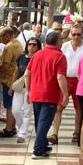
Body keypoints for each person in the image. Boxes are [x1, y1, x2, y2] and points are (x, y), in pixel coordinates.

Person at [25, 29, 68, 158]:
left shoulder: (37, 55)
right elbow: (60, 77)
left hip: (36, 93)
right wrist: (65, 94)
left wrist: (28, 90)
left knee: (40, 121)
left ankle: (42, 144)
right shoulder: (60, 56)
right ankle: (38, 149)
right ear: (58, 42)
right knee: (44, 122)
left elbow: (27, 74)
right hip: (50, 94)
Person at [53, 23, 83, 144]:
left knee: (79, 108)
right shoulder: (65, 46)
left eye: (79, 34)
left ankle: (76, 132)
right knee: (59, 106)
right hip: (65, 78)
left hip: (80, 81)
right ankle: (54, 133)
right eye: (74, 34)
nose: (76, 37)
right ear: (70, 35)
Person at [11, 37, 41, 142]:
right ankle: (21, 128)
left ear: (38, 47)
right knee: (15, 111)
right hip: (19, 87)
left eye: (34, 45)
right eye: (30, 44)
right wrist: (12, 85)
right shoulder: (21, 57)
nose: (31, 47)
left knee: (27, 111)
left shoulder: (39, 58)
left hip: (32, 88)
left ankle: (22, 134)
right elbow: (16, 71)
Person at [0, 27, 22, 138]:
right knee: (13, 103)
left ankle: (9, 128)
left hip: (8, 79)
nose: (0, 39)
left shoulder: (9, 47)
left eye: (2, 36)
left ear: (8, 35)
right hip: (15, 78)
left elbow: (5, 65)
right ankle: (12, 126)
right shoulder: (18, 43)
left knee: (9, 105)